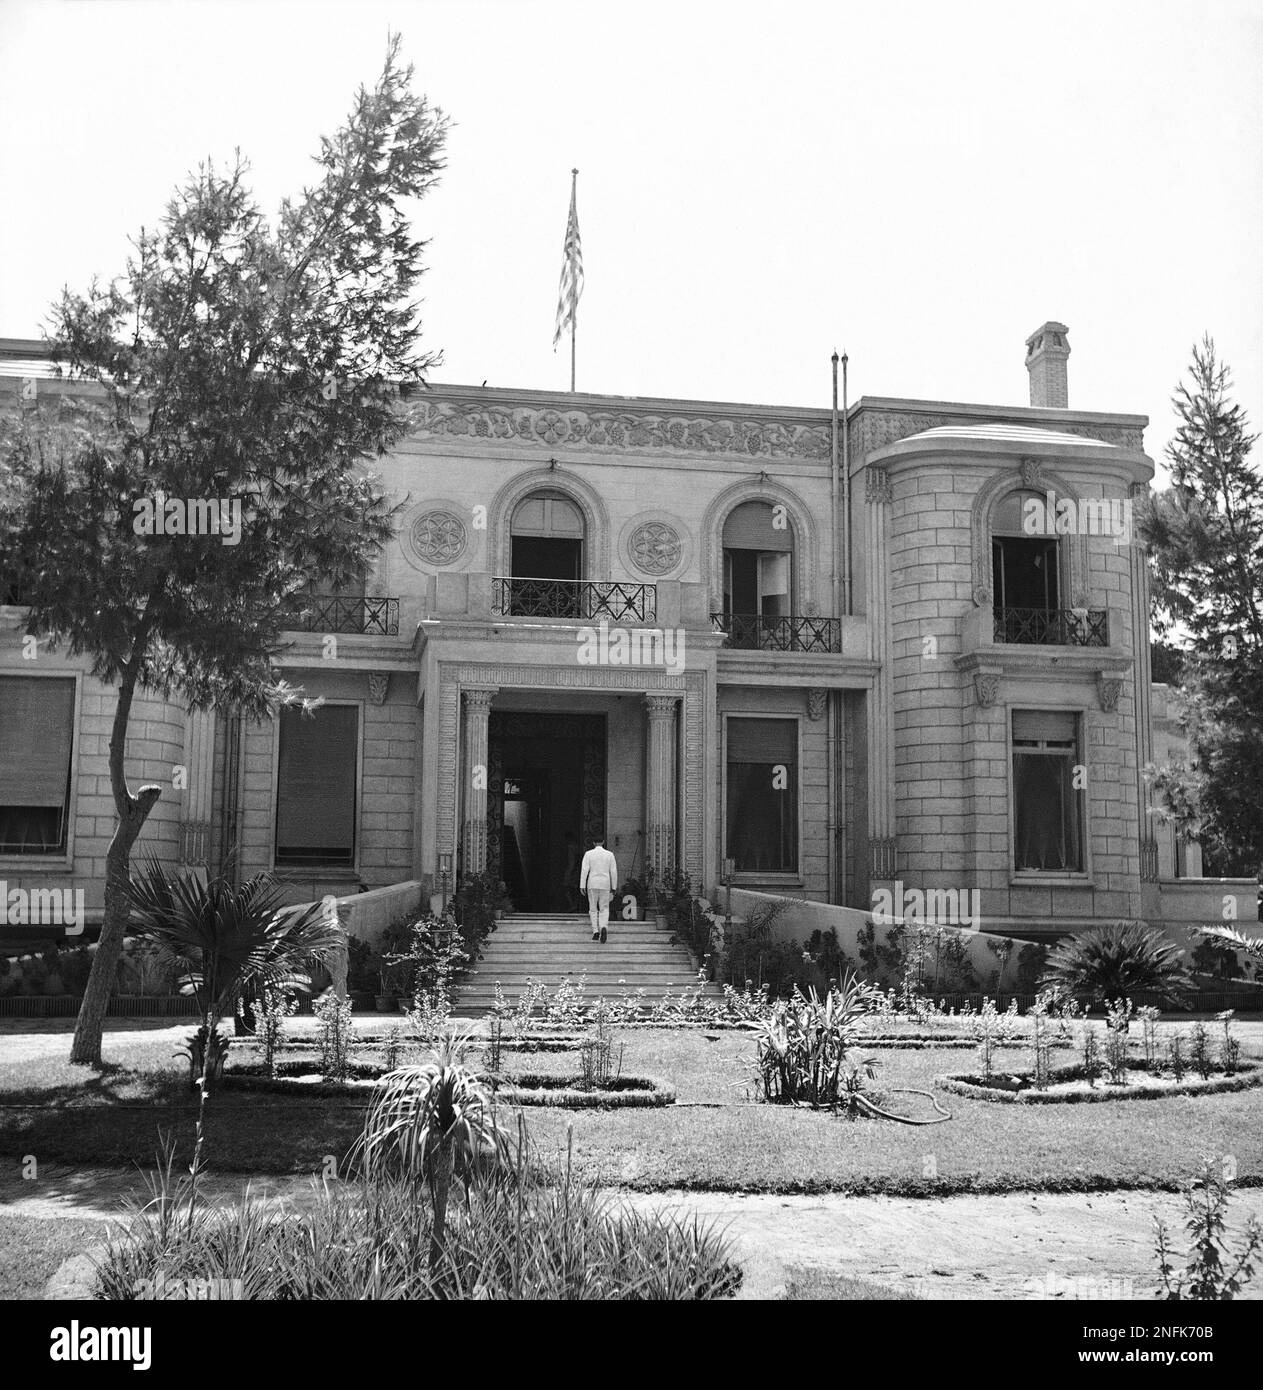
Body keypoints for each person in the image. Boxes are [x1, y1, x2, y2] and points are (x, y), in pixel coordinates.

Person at [579, 835, 618, 943]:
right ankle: (603, 927)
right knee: (604, 908)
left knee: (593, 908)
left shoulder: (588, 854)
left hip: (592, 883)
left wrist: (582, 885)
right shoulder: (610, 855)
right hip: (605, 884)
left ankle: (595, 932)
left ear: (593, 843)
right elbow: (613, 872)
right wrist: (614, 887)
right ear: (603, 842)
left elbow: (584, 870)